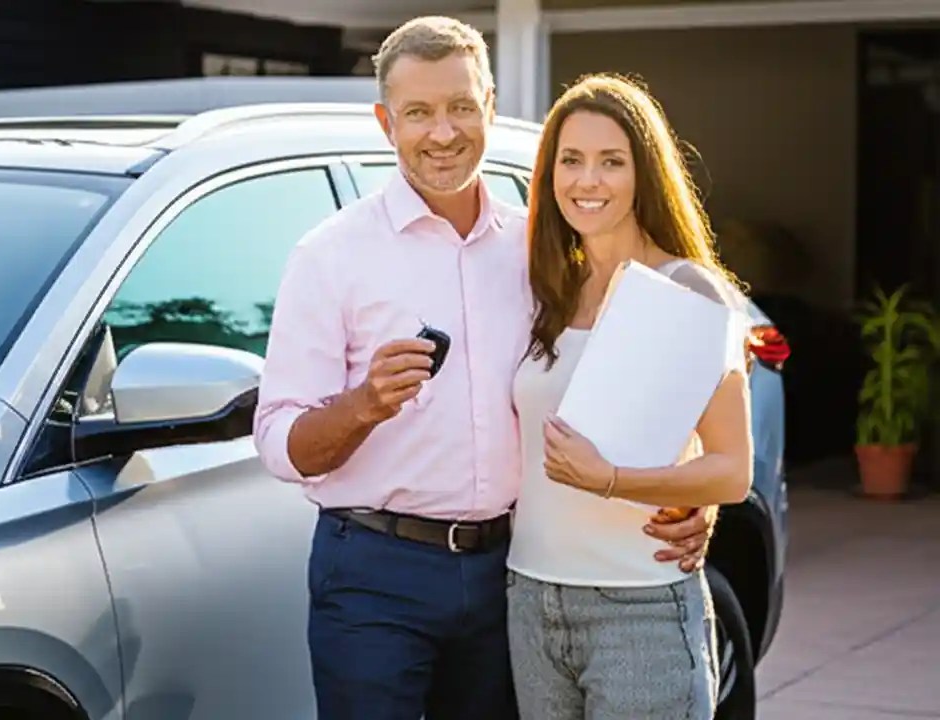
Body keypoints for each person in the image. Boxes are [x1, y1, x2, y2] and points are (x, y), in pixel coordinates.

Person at [254, 17, 715, 720]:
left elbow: (630, 386)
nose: (443, 132)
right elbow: (280, 444)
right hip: (376, 572)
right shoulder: (329, 256)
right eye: (419, 113)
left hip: (509, 574)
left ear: (491, 108)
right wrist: (364, 404)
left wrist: (693, 496)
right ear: (386, 123)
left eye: (461, 107)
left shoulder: (540, 252)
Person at [505, 72, 754, 720]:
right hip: (532, 597)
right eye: (571, 160)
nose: (588, 180)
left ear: (644, 171)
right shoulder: (550, 292)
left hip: (637, 606)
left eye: (611, 161)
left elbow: (731, 470)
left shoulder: (688, 291)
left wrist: (612, 479)